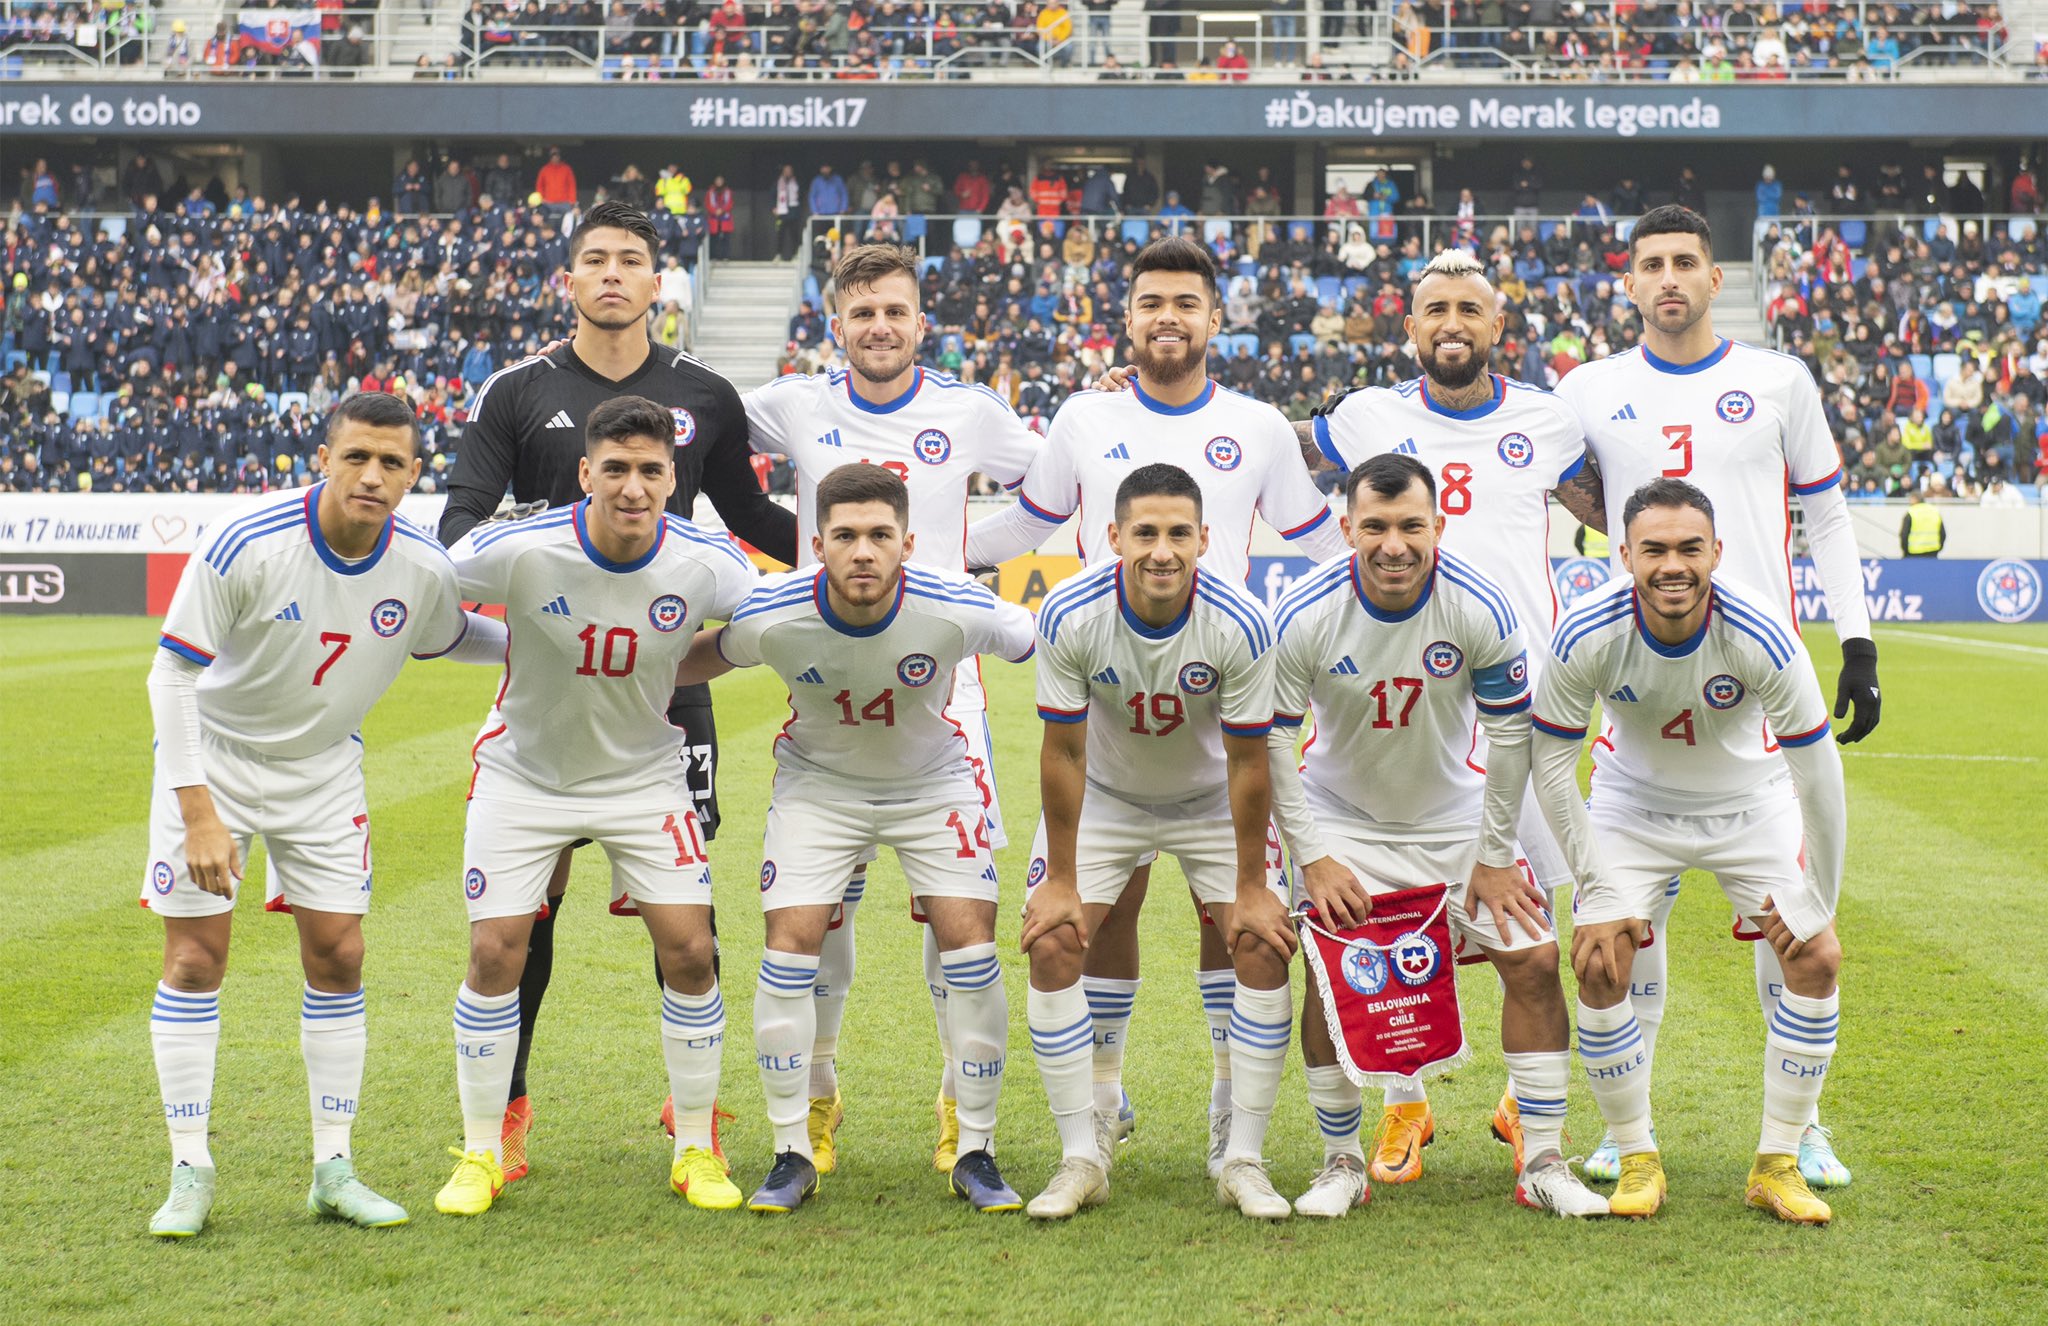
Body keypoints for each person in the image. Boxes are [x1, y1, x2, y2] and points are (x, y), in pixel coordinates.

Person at [967, 236, 1348, 1179]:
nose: (1168, 316)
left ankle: (1230, 1113)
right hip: (1111, 716)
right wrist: (927, 552)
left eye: (1187, 301)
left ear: (1216, 318)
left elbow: (1318, 541)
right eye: (1151, 303)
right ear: (1127, 319)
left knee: (1242, 927)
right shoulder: (1084, 417)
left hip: (1223, 715)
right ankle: (1101, 1108)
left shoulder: (1258, 424)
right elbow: (1027, 525)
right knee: (1108, 911)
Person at [437, 200, 797, 1188]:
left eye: (628, 261)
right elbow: (461, 524)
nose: (609, 276)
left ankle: (696, 1121)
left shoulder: (705, 394)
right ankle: (503, 1114)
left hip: (663, 689)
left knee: (680, 921)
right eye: (592, 259)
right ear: (570, 278)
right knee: (527, 913)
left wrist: (867, 558)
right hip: (553, 684)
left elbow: (750, 512)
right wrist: (549, 591)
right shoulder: (519, 390)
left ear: (656, 282)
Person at [1552, 205, 1875, 1190]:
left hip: (1753, 680)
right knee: (1620, 926)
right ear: (1628, 281)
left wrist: (1854, 639)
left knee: (1789, 925)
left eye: (1684, 262)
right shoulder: (1588, 389)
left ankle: (1802, 1124)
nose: (1667, 278)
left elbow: (1823, 512)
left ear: (1710, 276)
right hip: (1638, 675)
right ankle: (1622, 1126)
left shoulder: (1776, 380)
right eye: (1648, 264)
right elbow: (1551, 487)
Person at [141, 393, 499, 1238]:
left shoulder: (420, 566)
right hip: (215, 759)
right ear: (324, 459)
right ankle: (189, 1169)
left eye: (392, 464)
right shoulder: (247, 544)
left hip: (325, 770)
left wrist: (564, 641)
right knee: (196, 958)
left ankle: (332, 1169)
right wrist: (198, 811)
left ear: (415, 475)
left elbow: (458, 639)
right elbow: (171, 676)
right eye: (357, 458)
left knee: (339, 953)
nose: (372, 477)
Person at [1292, 248, 1600, 1184]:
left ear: (1498, 326)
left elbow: (1619, 505)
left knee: (1525, 910)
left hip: (1524, 699)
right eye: (1435, 309)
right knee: (1384, 926)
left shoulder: (1550, 420)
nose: (1452, 321)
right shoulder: (1363, 418)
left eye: (1471, 307)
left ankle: (1525, 1105)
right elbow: (1271, 452)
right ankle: (1405, 1107)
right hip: (1400, 690)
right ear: (1411, 324)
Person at [742, 244, 1041, 1176]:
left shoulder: (969, 410)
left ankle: (962, 1110)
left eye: (896, 312)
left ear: (921, 323)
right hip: (826, 687)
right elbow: (703, 442)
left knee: (949, 921)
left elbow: (1055, 492)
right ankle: (815, 1103)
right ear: (836, 322)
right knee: (816, 920)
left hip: (943, 697)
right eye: (862, 311)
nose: (879, 327)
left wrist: (956, 560)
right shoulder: (793, 404)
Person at [434, 396, 761, 1218]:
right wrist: (507, 645)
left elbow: (762, 627)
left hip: (642, 778)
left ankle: (695, 1144)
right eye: (614, 469)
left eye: (650, 471)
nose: (632, 486)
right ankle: (481, 1152)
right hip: (523, 774)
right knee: (496, 953)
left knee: (691, 952)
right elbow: (425, 590)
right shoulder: (520, 547)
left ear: (673, 477)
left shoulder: (707, 561)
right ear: (586, 474)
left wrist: (687, 664)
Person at [681, 464, 1038, 1214]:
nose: (863, 552)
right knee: (790, 948)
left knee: (970, 948)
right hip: (820, 787)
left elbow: (1033, 639)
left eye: (880, 536)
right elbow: (706, 654)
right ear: (818, 544)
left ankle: (976, 1148)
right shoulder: (773, 612)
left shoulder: (952, 605)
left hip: (932, 784)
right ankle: (791, 1151)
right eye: (845, 536)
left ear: (908, 543)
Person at [1267, 454, 1609, 1219]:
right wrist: (1313, 856)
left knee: (1534, 959)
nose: (1394, 544)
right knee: (1332, 984)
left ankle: (1545, 1160)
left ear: (1438, 527)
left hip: (1457, 820)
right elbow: (1270, 745)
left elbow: (1511, 737)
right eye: (1376, 527)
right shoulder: (1305, 610)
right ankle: (1339, 1163)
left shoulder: (1478, 606)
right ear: (1348, 527)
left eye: (1411, 526)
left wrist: (1493, 856)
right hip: (1344, 824)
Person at [1530, 478, 1847, 1225]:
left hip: (1751, 803)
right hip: (1633, 807)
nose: (1673, 565)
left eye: (1689, 549)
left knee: (1817, 954)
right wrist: (1593, 881)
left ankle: (1778, 1161)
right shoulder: (1587, 632)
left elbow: (1818, 772)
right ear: (1624, 555)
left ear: (1716, 553)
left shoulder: (1761, 631)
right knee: (1600, 955)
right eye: (1655, 549)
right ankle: (1634, 1152)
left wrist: (1818, 899)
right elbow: (1548, 765)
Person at [1021, 463, 1290, 1220]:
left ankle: (1240, 1153)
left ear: (1206, 538)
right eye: (1145, 533)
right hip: (1108, 793)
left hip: (1211, 799)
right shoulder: (1071, 611)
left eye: (1179, 533)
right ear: (1114, 537)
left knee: (1263, 944)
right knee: (1054, 939)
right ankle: (1085, 1149)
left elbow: (1247, 762)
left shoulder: (1240, 621)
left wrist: (1250, 888)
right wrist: (1064, 880)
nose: (1162, 550)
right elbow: (1063, 752)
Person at [1899, 488, 1946, 554]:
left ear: (1914, 498)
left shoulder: (1911, 512)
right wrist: (1939, 548)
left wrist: (1905, 550)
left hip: (1913, 553)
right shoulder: (1935, 511)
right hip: (1933, 552)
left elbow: (1904, 534)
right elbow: (1942, 533)